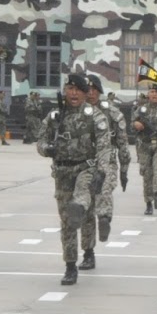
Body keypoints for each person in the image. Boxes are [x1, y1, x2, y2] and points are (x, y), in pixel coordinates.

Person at [37, 74, 111, 285]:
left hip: (86, 168)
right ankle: (70, 266)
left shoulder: (94, 116)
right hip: (62, 172)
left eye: (78, 89)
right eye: (70, 88)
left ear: (86, 93)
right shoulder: (54, 117)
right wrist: (46, 149)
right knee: (67, 222)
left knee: (81, 203)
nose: (73, 93)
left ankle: (88, 250)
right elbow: (40, 141)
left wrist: (102, 171)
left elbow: (105, 146)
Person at [78, 75, 128, 269]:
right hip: (82, 165)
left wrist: (124, 168)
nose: (90, 93)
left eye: (93, 89)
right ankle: (88, 253)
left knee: (104, 189)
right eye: (87, 89)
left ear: (99, 91)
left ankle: (105, 217)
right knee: (85, 212)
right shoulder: (76, 112)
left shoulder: (112, 113)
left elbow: (123, 142)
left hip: (107, 161)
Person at [132, 83, 157, 215]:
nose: (153, 94)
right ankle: (148, 203)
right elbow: (133, 124)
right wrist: (136, 125)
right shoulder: (141, 110)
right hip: (144, 146)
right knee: (147, 175)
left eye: (156, 92)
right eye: (151, 92)